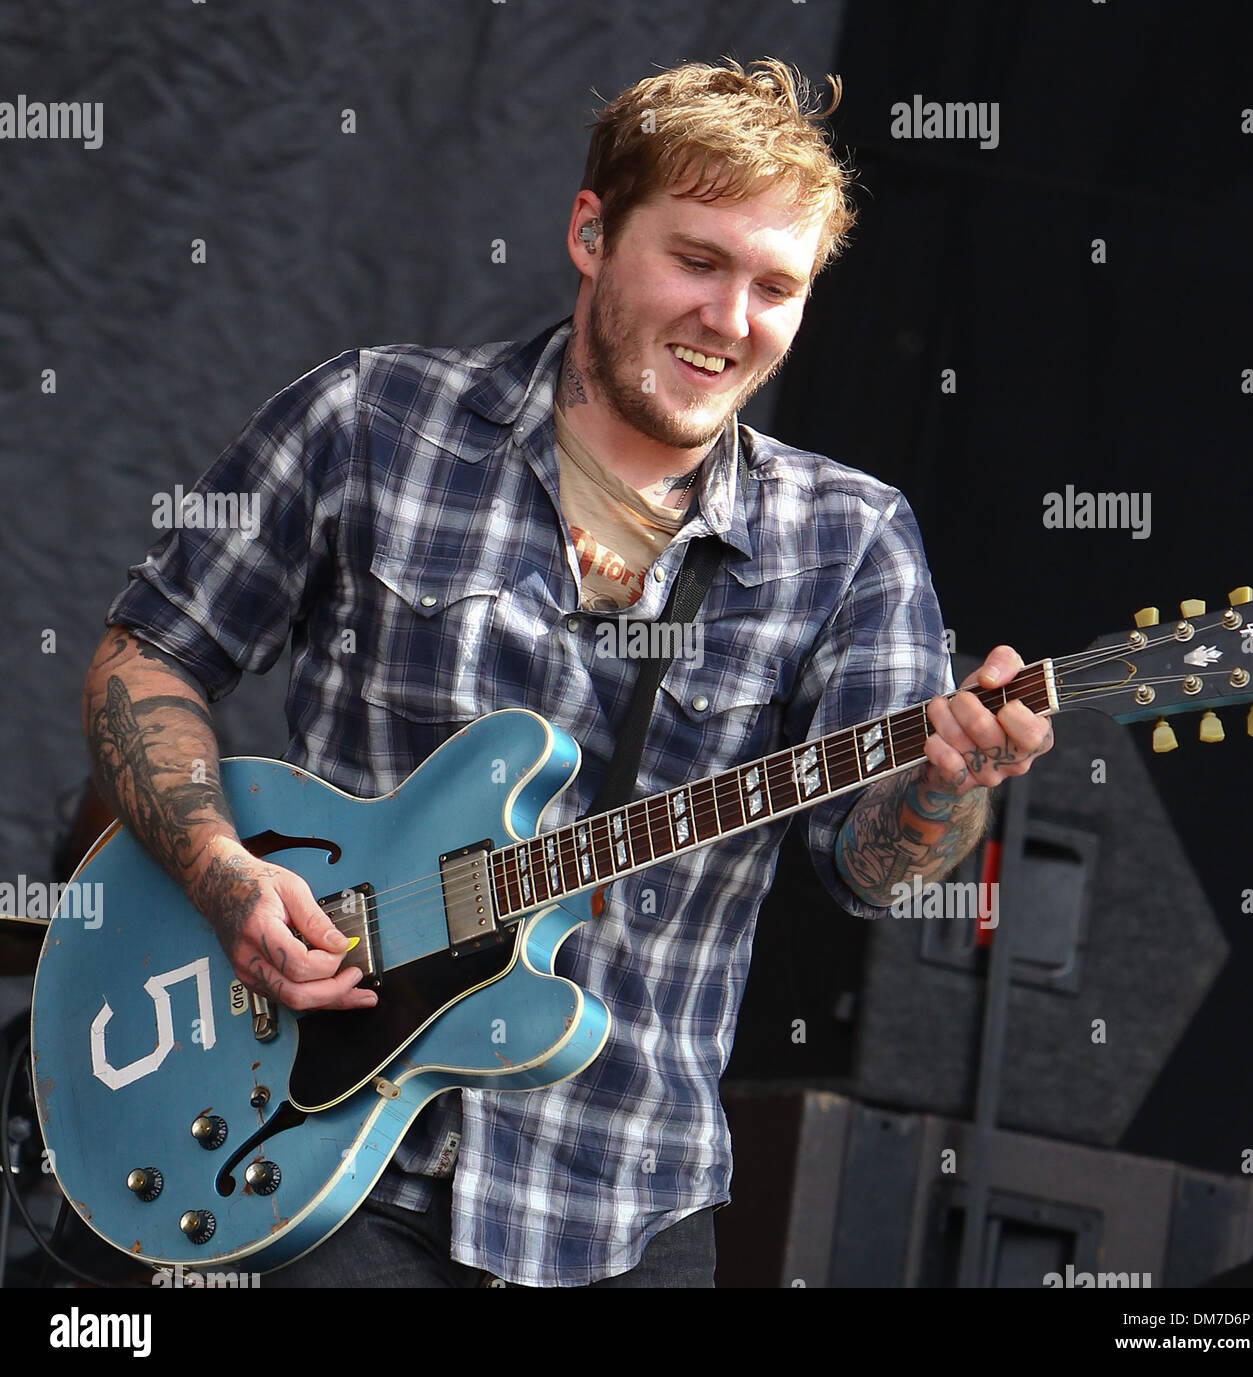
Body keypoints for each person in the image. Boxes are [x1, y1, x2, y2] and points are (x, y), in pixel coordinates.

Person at [81, 57, 1053, 1288]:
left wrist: (949, 782)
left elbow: (867, 868)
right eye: (697, 262)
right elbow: (147, 653)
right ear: (590, 231)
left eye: (774, 286)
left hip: (623, 1201)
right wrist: (222, 875)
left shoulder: (847, 540)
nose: (730, 320)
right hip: (316, 1150)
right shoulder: (374, 420)